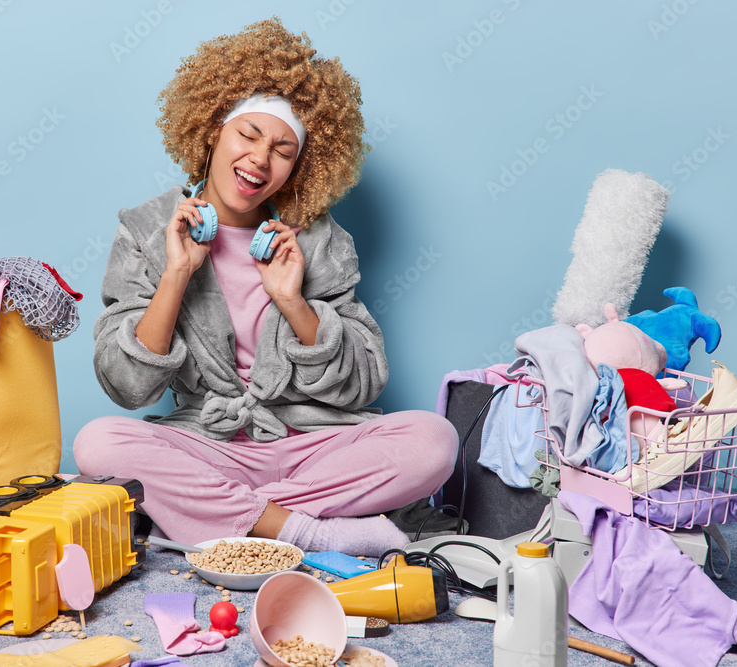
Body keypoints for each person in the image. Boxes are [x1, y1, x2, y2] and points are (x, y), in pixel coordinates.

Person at [75, 18, 458, 557]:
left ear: (299, 166)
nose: (259, 159)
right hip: (211, 444)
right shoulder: (147, 228)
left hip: (314, 447)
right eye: (248, 134)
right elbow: (128, 387)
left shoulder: (318, 239)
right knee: (98, 443)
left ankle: (212, 515)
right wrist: (177, 273)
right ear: (213, 130)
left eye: (282, 149)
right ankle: (309, 532)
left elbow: (365, 382)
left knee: (434, 441)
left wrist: (291, 300)